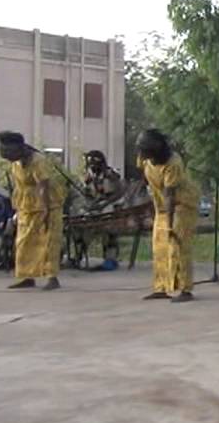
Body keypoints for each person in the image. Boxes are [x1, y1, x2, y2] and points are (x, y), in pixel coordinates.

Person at [0, 131, 67, 290]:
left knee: (48, 242)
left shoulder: (38, 161)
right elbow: (18, 187)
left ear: (18, 148)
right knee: (23, 242)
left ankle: (52, 278)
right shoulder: (15, 162)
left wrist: (46, 209)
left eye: (7, 151)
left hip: (47, 204)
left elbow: (43, 186)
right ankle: (27, 276)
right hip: (26, 207)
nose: (4, 155)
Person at [136, 129, 200, 302]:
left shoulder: (173, 163)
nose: (143, 154)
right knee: (160, 247)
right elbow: (145, 177)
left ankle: (185, 289)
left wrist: (170, 226)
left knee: (178, 246)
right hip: (162, 207)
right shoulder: (145, 158)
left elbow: (170, 194)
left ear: (156, 149)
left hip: (182, 206)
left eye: (146, 150)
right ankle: (161, 287)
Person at [74, 150, 125, 268]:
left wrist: (104, 203)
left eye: (94, 163)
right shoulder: (88, 176)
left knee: (108, 229)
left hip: (110, 205)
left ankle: (110, 259)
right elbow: (88, 194)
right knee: (81, 226)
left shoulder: (110, 174)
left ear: (101, 163)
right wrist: (89, 200)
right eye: (90, 163)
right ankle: (78, 257)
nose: (92, 165)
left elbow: (120, 191)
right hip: (94, 206)